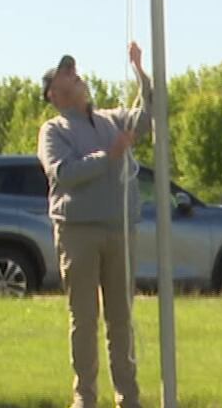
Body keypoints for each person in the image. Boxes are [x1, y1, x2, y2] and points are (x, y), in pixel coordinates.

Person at [37, 42, 154, 408]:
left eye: (73, 69)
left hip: (119, 228)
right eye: (65, 72)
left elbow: (147, 117)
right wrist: (109, 156)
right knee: (84, 318)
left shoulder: (111, 119)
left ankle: (128, 398)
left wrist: (140, 71)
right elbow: (64, 173)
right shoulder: (53, 130)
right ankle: (85, 398)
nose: (74, 74)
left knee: (122, 317)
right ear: (53, 94)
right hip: (78, 231)